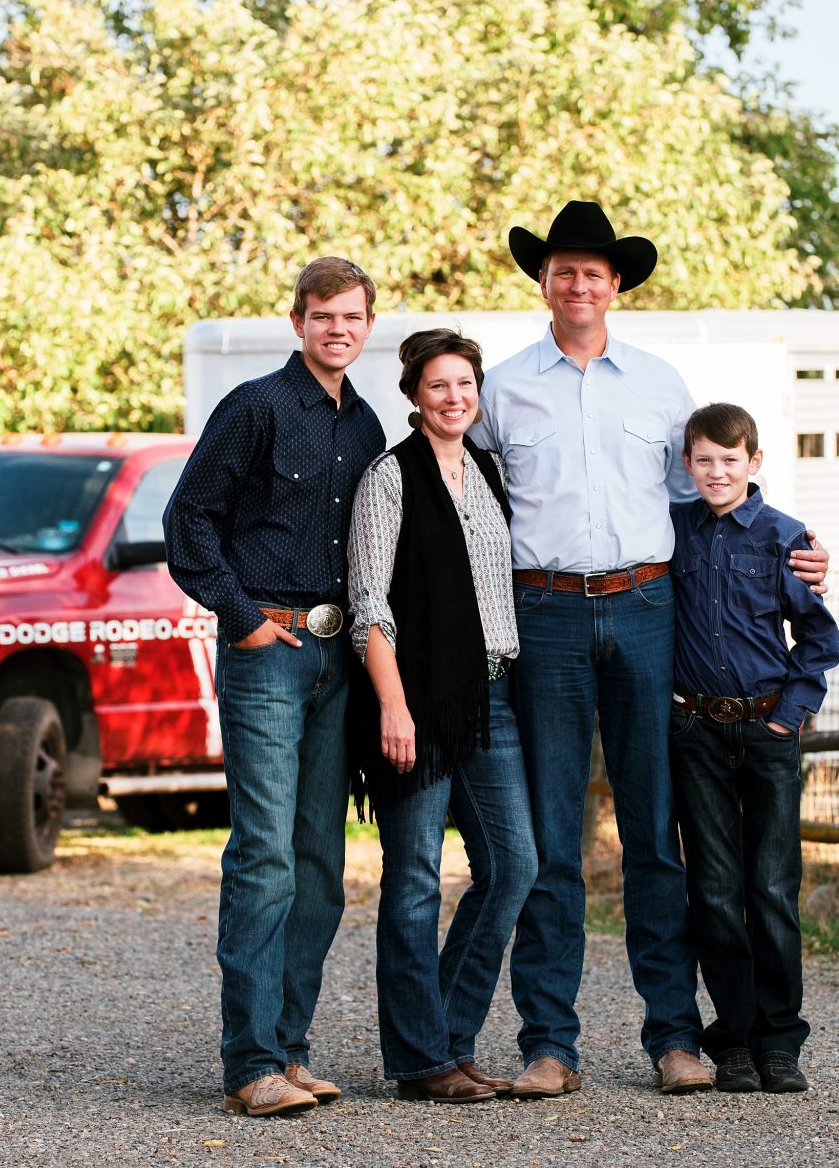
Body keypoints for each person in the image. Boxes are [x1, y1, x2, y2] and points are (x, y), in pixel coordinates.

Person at [467, 200, 829, 1097]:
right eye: (562, 270)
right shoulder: (504, 387)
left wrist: (789, 545)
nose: (578, 283)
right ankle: (549, 1043)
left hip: (644, 608)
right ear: (542, 282)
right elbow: (471, 503)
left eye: (594, 270)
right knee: (553, 838)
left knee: (655, 835)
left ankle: (673, 1034)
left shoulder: (662, 386)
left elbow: (709, 501)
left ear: (616, 283)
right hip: (542, 610)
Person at [162, 257, 386, 1117]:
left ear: (368, 326)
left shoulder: (366, 425)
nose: (338, 329)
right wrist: (246, 616)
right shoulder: (254, 406)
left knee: (322, 867)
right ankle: (248, 1061)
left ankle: (290, 1050)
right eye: (323, 315)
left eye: (353, 317)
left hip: (341, 660)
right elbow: (189, 521)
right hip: (268, 650)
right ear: (297, 321)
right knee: (264, 857)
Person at [347, 329, 538, 1104]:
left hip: (489, 695)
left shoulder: (488, 471)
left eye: (465, 384)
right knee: (416, 878)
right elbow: (369, 606)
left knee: (513, 864)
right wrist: (393, 706)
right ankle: (421, 1060)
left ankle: (451, 1042)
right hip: (415, 703)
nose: (454, 398)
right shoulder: (388, 478)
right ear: (414, 398)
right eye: (438, 387)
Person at [668, 402, 839, 1094]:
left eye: (729, 461)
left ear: (754, 463)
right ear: (688, 464)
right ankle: (732, 1041)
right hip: (696, 732)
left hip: (767, 729)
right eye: (704, 460)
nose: (716, 471)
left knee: (770, 887)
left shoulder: (784, 537)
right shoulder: (670, 530)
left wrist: (789, 717)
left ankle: (779, 1040)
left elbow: (819, 638)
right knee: (712, 889)